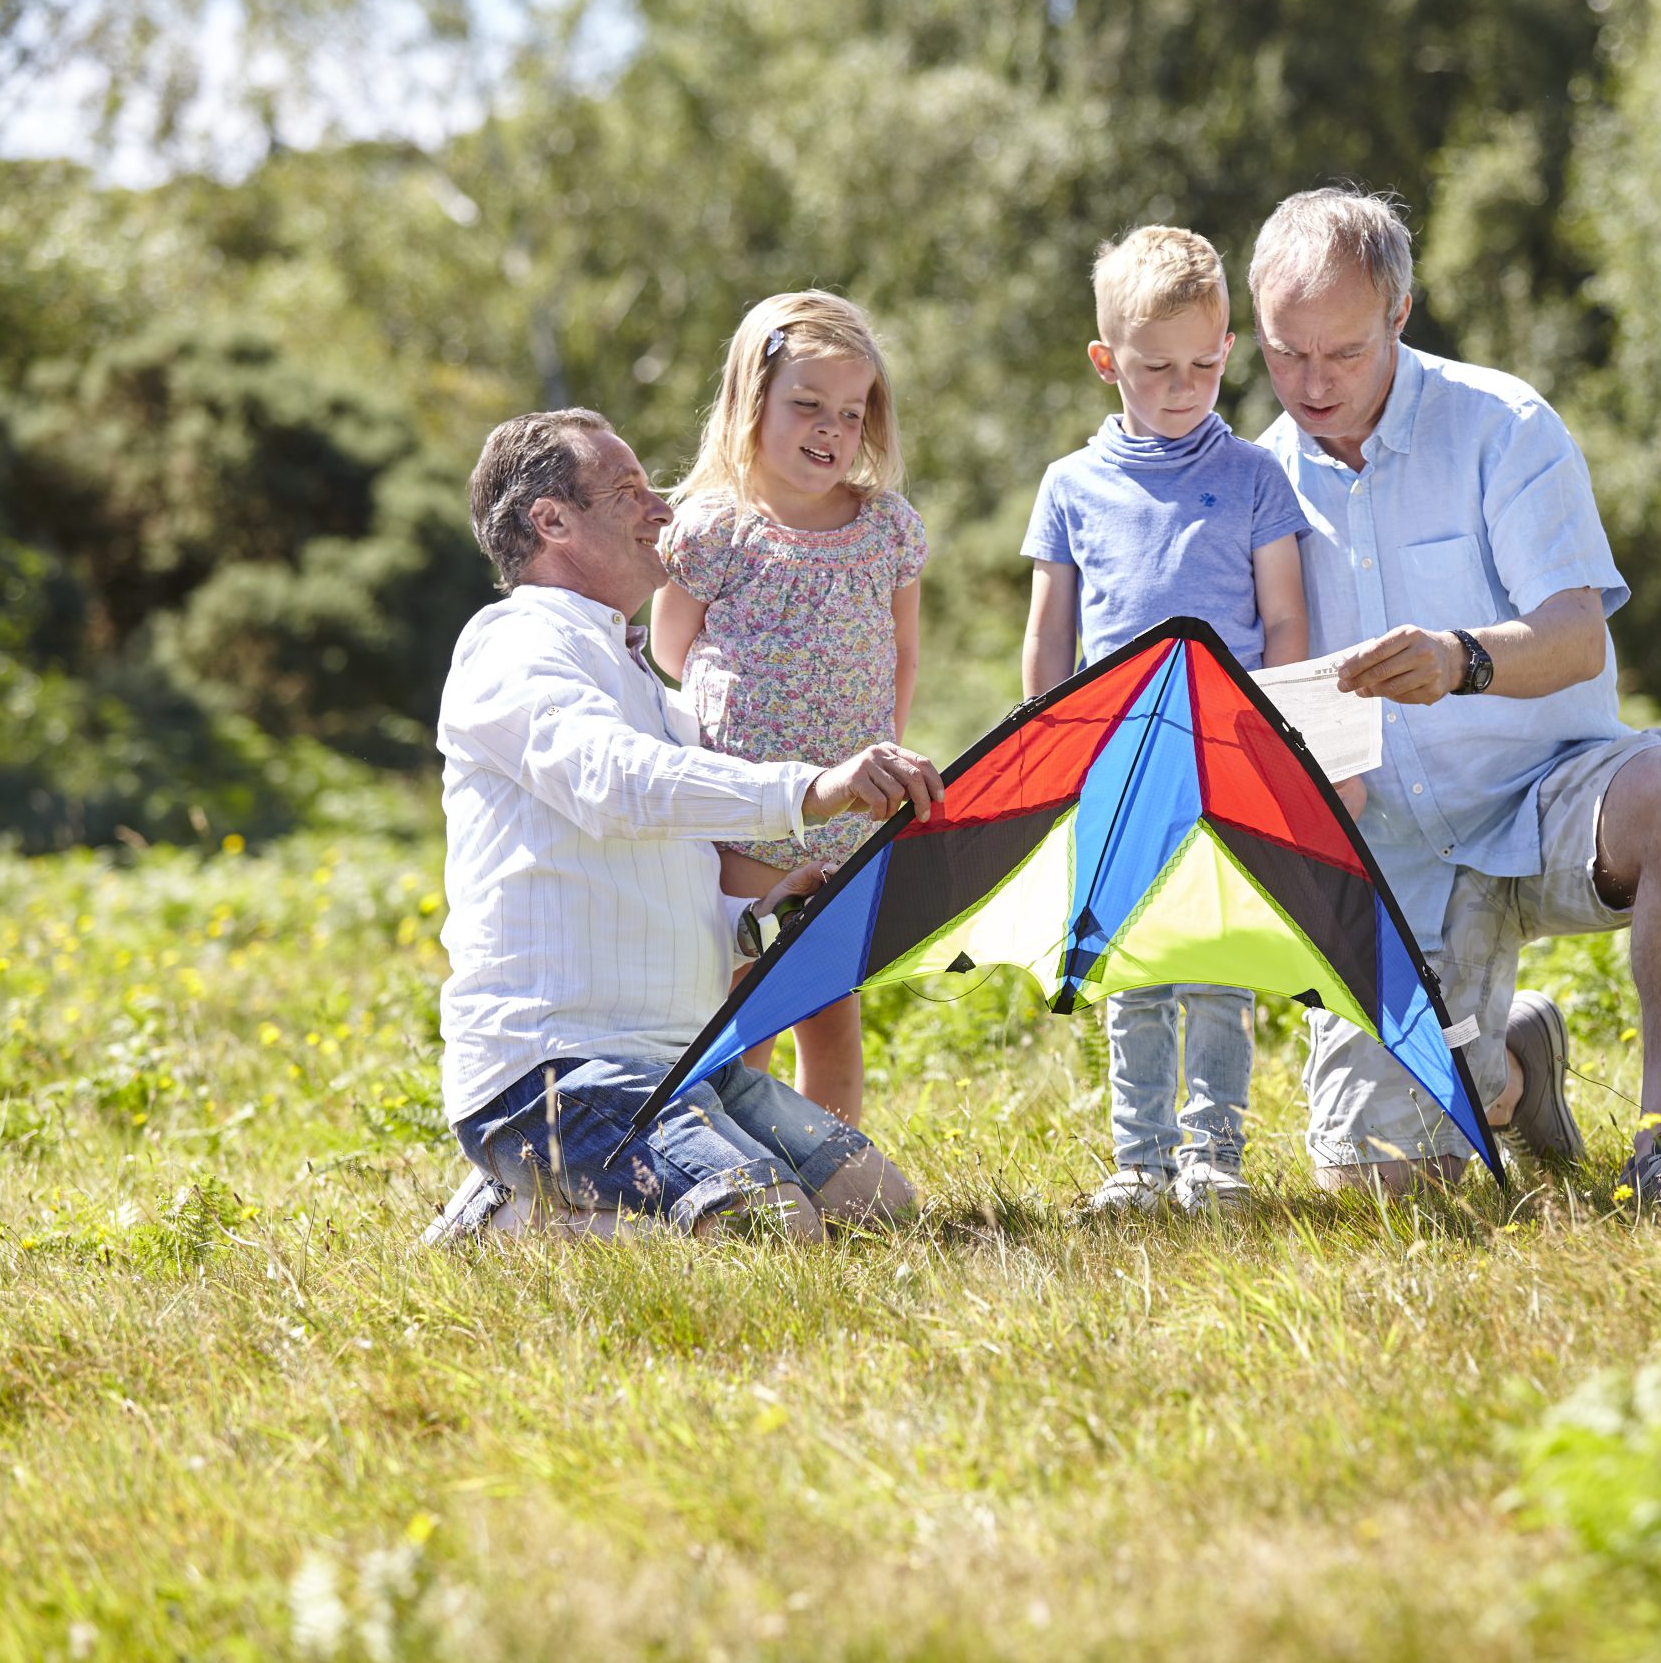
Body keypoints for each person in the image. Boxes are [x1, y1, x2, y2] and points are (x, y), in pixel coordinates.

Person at [1248, 189, 1661, 1209]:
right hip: (1394, 858)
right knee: (1379, 1188)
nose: (1313, 383)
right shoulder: (1254, 485)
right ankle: (1511, 1068)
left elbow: (1576, 632)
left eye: (1343, 352)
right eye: (1285, 353)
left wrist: (1460, 657)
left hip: (1547, 799)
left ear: (1400, 313)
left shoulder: (1503, 426)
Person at [424, 408, 943, 1244]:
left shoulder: (649, 691)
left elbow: (663, 874)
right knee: (773, 1231)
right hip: (555, 1070)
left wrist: (761, 916)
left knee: (880, 1206)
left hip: (683, 1065)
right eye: (627, 492)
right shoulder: (513, 646)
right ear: (550, 521)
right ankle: (504, 1224)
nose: (662, 510)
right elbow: (616, 782)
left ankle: (568, 1200)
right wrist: (808, 790)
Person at [1020, 224, 1314, 1216]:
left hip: (1225, 756)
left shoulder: (1256, 477)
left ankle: (1214, 1157)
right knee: (1134, 967)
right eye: (1156, 368)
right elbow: (1049, 633)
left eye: (1203, 364)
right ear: (1107, 361)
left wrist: (1284, 737)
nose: (1184, 386)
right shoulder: (1071, 486)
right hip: (1114, 766)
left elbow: (1284, 618)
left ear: (1229, 348)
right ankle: (1140, 1163)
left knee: (1219, 965)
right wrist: (1042, 749)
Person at [648, 292, 925, 1129]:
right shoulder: (715, 528)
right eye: (807, 404)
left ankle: (833, 1163)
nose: (830, 429)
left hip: (847, 820)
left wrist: (880, 756)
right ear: (752, 401)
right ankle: (738, 1160)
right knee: (746, 1006)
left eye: (850, 412)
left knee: (832, 1016)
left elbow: (902, 651)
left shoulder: (885, 528)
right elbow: (671, 650)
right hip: (745, 822)